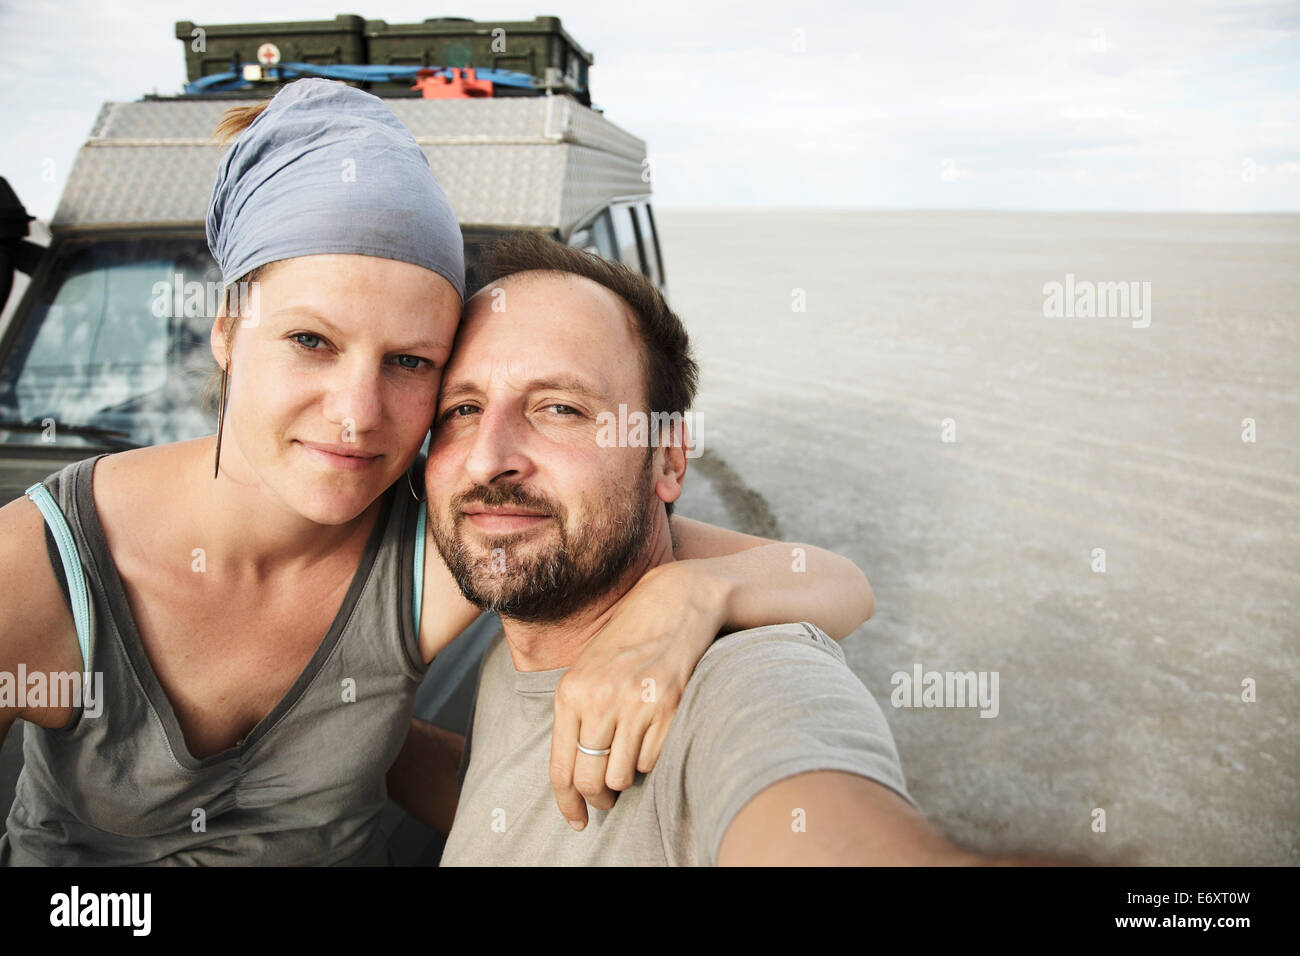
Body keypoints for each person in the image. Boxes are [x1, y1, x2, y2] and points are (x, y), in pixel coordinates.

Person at [0, 79, 876, 864]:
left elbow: (834, 584)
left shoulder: (436, 542)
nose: (358, 414)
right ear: (227, 331)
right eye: (312, 341)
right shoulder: (40, 573)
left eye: (411, 362)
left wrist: (688, 598)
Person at [430, 232, 1042, 865]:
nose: (486, 457)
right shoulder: (516, 646)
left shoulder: (737, 684)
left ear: (666, 459)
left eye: (560, 408)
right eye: (462, 408)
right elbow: (508, 814)